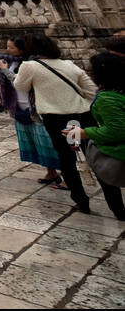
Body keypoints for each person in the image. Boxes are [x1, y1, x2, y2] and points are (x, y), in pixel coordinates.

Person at [8, 32, 98, 214]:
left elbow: (20, 86)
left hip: (56, 117)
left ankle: (81, 200)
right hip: (81, 115)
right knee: (93, 155)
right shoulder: (69, 64)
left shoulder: (29, 66)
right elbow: (92, 91)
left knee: (67, 158)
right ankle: (117, 205)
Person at [0, 38, 62, 190]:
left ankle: (68, 175)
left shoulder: (30, 65)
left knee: (49, 142)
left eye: (11, 47)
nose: (8, 50)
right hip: (18, 105)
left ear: (22, 49)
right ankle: (50, 172)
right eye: (7, 46)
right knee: (36, 142)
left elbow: (20, 83)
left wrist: (5, 70)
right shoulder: (11, 61)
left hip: (35, 106)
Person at [76, 51, 125, 220]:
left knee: (108, 178)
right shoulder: (119, 90)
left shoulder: (107, 97)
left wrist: (85, 133)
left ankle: (120, 212)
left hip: (117, 150)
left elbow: (115, 130)